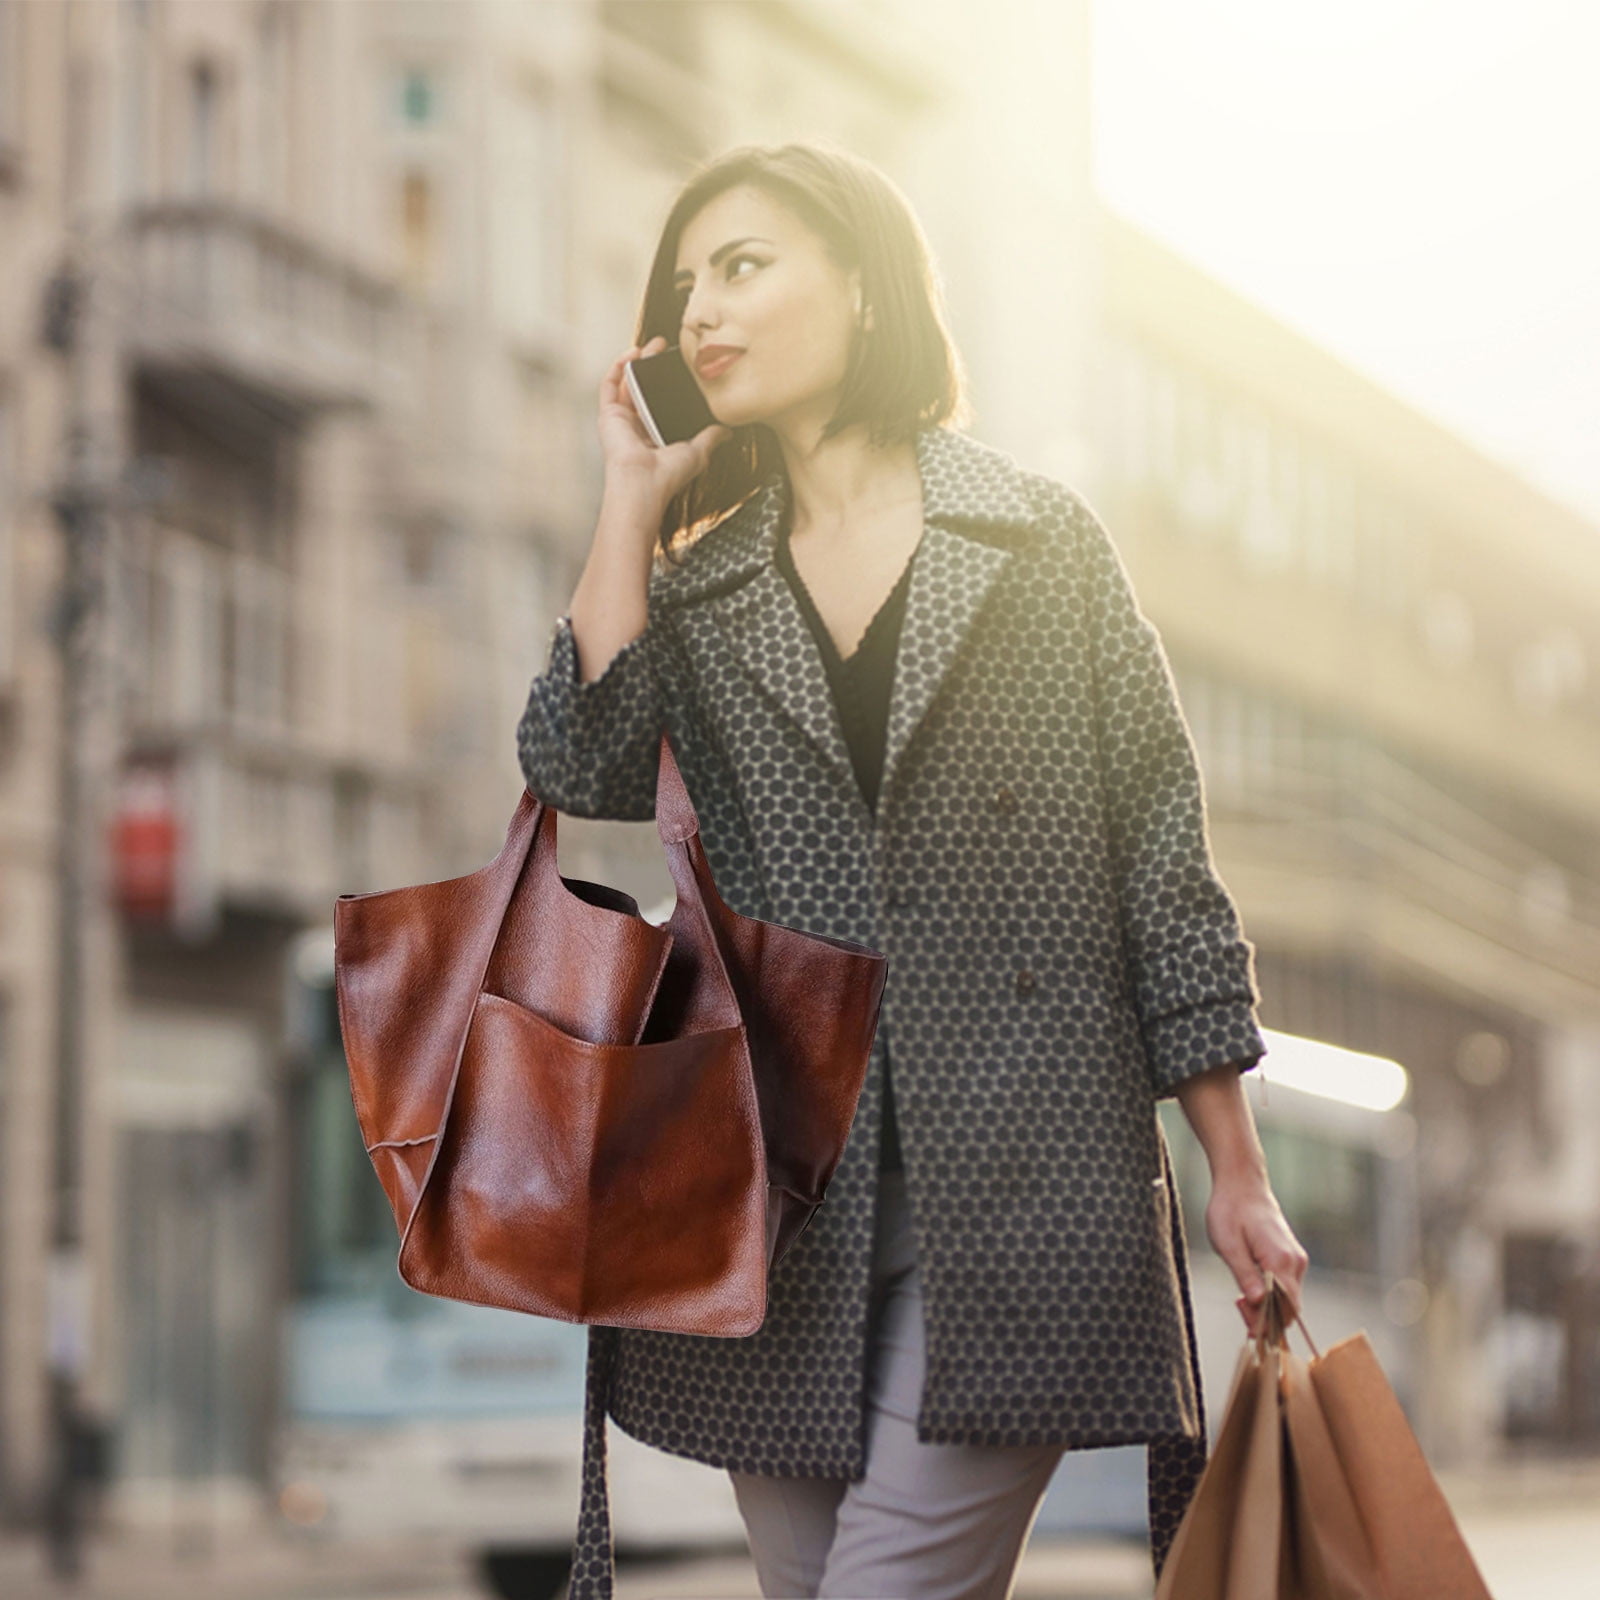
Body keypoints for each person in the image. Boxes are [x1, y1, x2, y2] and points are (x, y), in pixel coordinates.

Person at [517, 139, 1309, 1600]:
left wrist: (1237, 1171)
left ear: (866, 291)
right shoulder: (695, 582)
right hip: (780, 1214)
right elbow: (584, 787)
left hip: (1023, 1184)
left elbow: (1159, 860)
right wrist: (631, 496)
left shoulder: (1037, 545)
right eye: (685, 284)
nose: (702, 311)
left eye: (745, 267)